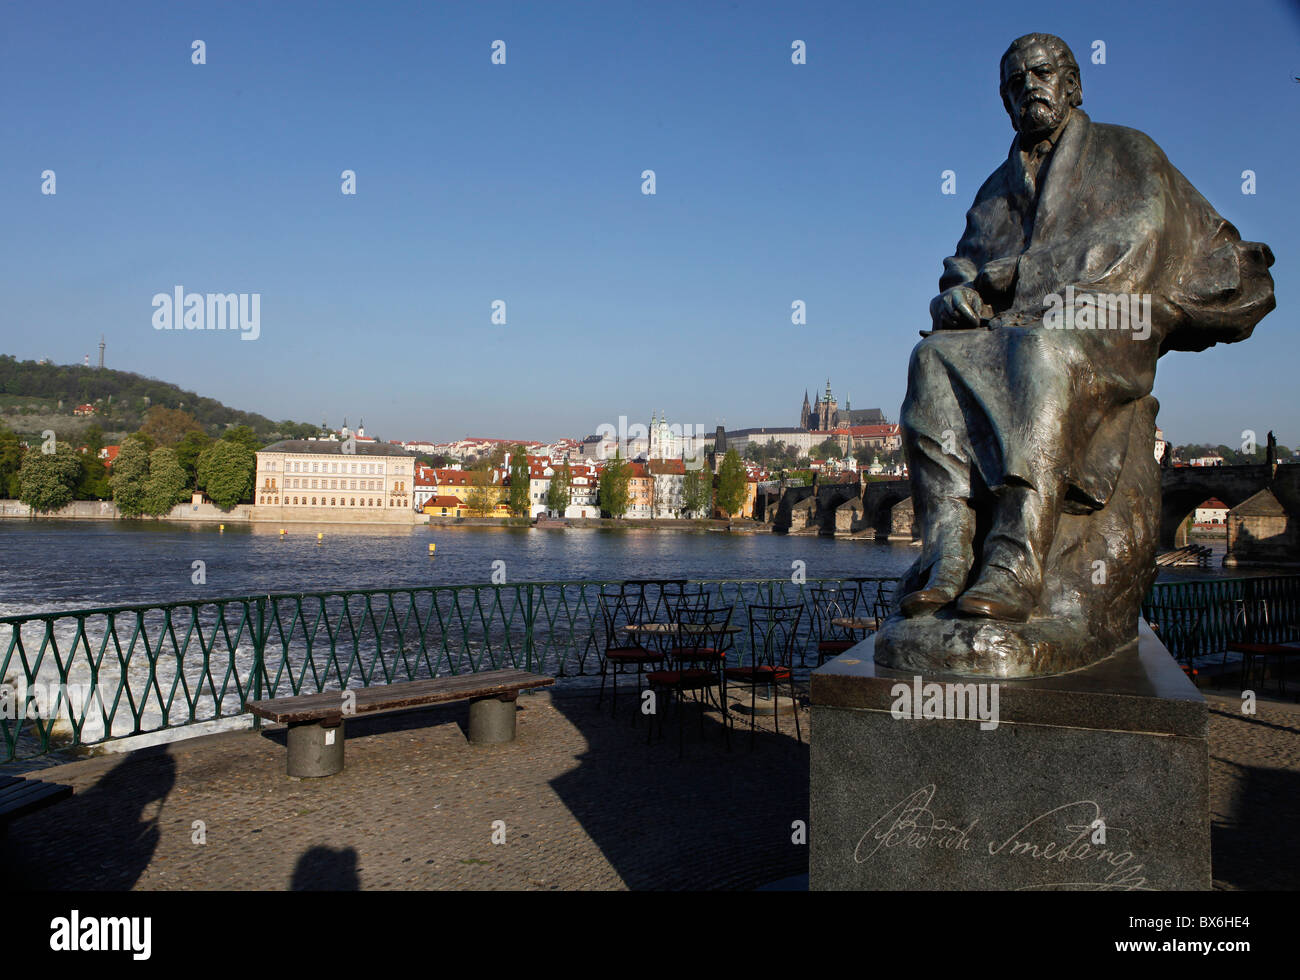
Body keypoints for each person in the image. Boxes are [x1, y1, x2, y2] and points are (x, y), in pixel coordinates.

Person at [898, 33, 1275, 623]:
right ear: (1004, 101)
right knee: (932, 359)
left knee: (1043, 350)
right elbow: (964, 265)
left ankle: (1015, 559)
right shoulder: (994, 188)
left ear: (1072, 84)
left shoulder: (1128, 152)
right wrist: (955, 300)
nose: (1029, 89)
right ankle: (948, 547)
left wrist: (1023, 273)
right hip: (1010, 328)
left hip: (1109, 318)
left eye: (1041, 75)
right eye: (1014, 83)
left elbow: (1136, 242)